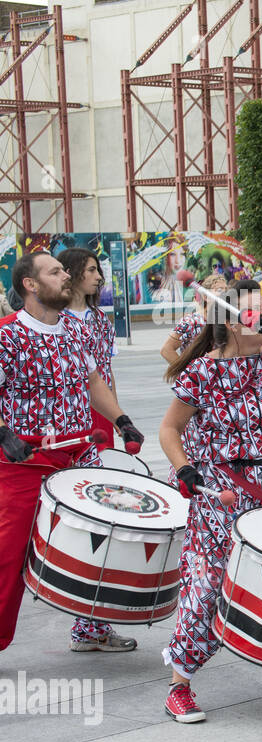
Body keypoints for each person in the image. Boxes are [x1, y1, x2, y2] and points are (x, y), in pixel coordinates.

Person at [159, 294, 262, 721]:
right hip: (221, 489)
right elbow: (169, 428)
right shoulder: (203, 369)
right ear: (233, 324)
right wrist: (183, 469)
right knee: (209, 582)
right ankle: (179, 682)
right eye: (252, 312)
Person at [0, 252, 146, 657]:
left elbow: (92, 379)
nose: (66, 276)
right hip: (24, 460)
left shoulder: (74, 329)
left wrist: (122, 419)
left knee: (101, 540)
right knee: (8, 555)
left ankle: (91, 629)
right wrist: (2, 433)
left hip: (81, 454)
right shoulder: (6, 334)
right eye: (55, 272)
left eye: (65, 271)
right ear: (30, 285)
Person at [59, 249, 118, 452]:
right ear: (70, 273)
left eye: (98, 271)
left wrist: (117, 414)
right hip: (70, 408)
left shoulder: (100, 318)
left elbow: (107, 370)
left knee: (105, 462)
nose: (98, 277)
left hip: (102, 408)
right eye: (91, 270)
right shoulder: (56, 320)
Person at [161, 273, 227, 366]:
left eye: (226, 290)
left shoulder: (227, 321)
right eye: (219, 290)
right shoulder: (191, 322)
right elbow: (167, 350)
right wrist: (186, 373)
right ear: (205, 297)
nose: (224, 293)